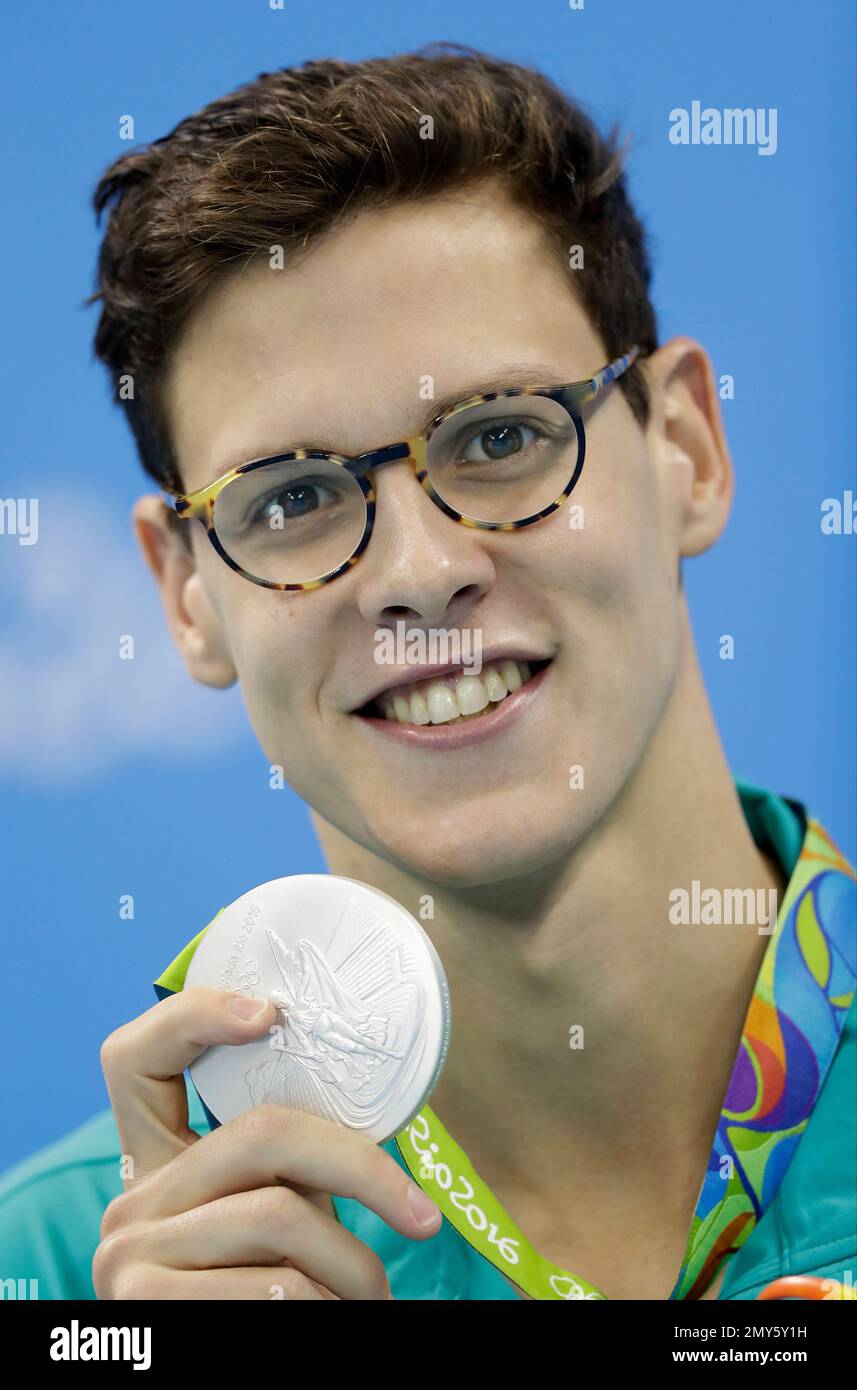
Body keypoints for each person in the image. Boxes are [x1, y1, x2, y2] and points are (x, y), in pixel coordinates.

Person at [1, 45, 854, 1303]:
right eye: (290, 496)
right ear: (187, 595)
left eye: (500, 434)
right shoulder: (62, 1274)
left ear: (685, 446)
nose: (415, 569)